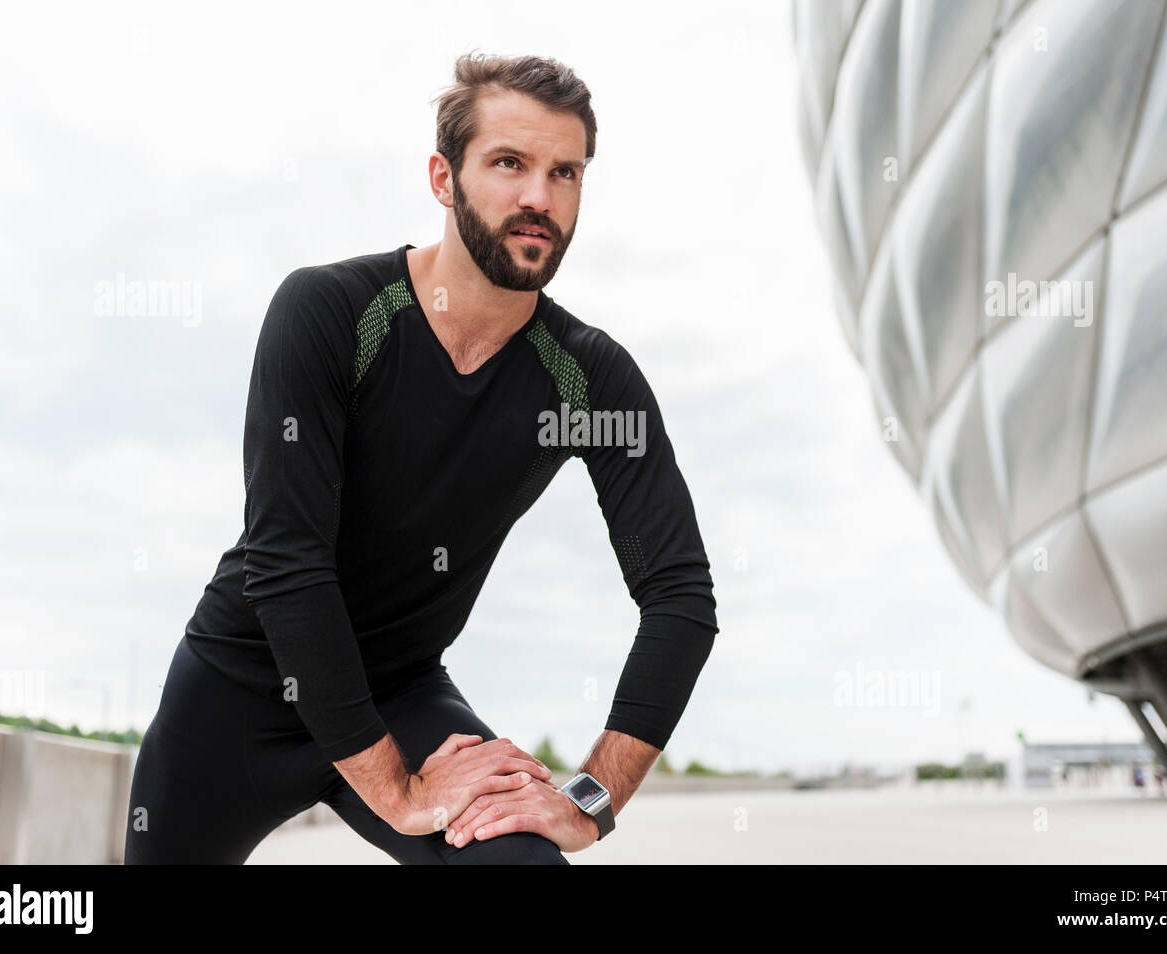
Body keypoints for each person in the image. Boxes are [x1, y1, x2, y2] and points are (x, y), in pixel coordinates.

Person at [124, 51, 720, 864]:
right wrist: (394, 790)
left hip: (404, 696)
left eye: (565, 172)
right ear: (444, 178)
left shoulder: (591, 380)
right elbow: (288, 562)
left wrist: (591, 798)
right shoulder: (332, 312)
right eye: (509, 163)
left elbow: (679, 594)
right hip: (237, 689)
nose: (538, 198)